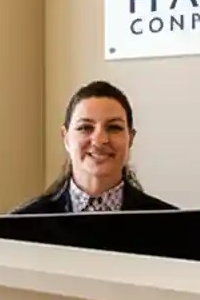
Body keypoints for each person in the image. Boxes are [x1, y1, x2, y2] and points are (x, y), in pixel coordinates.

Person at [12, 80, 175, 214]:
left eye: (114, 128)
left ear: (130, 139)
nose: (100, 140)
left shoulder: (173, 226)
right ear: (66, 138)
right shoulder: (22, 224)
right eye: (85, 128)